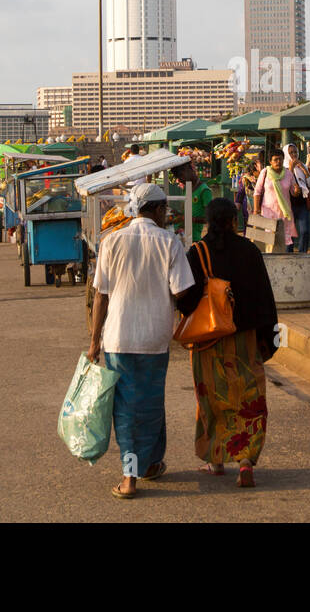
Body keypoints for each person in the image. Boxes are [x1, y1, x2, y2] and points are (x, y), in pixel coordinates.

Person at [87, 183, 196, 501]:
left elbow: (100, 297)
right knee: (148, 404)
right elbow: (182, 291)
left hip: (118, 338)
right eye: (166, 210)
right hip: (154, 338)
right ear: (159, 209)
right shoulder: (169, 242)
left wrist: (94, 342)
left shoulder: (111, 241)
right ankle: (130, 474)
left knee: (126, 409)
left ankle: (148, 465)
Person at [176, 198, 279, 487]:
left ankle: (216, 460)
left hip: (208, 340)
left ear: (208, 222)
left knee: (210, 397)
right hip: (244, 339)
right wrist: (267, 339)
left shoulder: (197, 252)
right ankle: (245, 460)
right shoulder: (249, 250)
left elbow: (186, 299)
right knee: (247, 396)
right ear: (234, 221)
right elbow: (264, 298)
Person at [253, 150, 296, 249]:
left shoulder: (288, 174)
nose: (278, 162)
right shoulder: (265, 173)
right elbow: (257, 192)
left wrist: (297, 190)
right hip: (268, 212)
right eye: (275, 160)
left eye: (280, 159)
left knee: (284, 242)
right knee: (269, 242)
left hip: (284, 213)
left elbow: (293, 192)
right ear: (270, 161)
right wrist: (256, 210)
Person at [283, 143, 310, 253]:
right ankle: (289, 254)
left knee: (305, 230)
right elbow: (287, 184)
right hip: (289, 205)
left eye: (295, 152)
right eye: (291, 152)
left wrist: (304, 170)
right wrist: (291, 169)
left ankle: (302, 253)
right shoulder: (283, 169)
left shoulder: (302, 166)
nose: (293, 155)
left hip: (302, 204)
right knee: (290, 233)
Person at [171, 161, 212, 243]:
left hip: (194, 239)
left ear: (189, 169)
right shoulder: (186, 189)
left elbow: (209, 218)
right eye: (178, 178)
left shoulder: (204, 190)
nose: (180, 179)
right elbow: (186, 213)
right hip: (182, 235)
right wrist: (178, 213)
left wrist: (186, 218)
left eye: (181, 175)